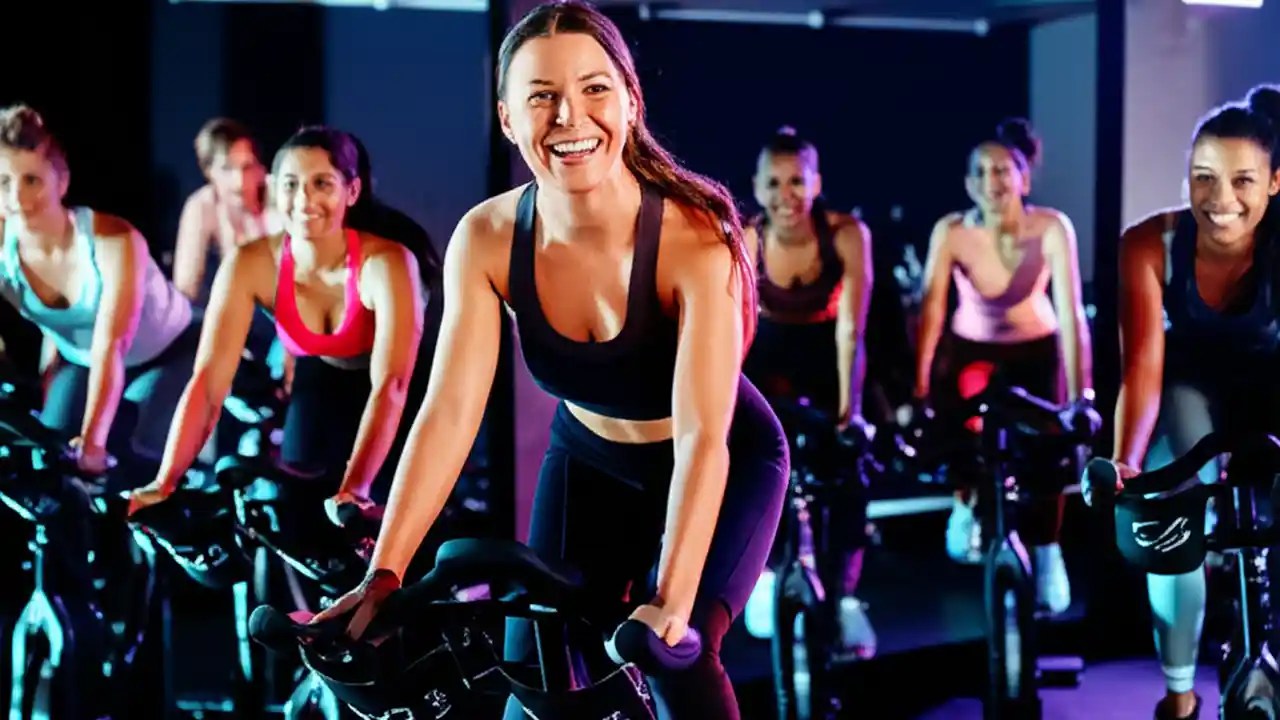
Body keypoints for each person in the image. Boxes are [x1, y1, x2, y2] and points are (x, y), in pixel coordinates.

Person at [313, 2, 790, 718]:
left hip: (724, 457)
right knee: (529, 672)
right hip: (589, 458)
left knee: (679, 657)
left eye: (595, 89)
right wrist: (386, 571)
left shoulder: (696, 240)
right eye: (542, 97)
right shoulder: (490, 237)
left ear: (631, 102)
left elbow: (701, 438)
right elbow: (447, 413)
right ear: (508, 118)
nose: (570, 117)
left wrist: (671, 601)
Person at [126, 125, 426, 523]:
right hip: (320, 376)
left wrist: (354, 490)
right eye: (291, 184)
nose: (304, 199)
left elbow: (391, 385)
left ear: (351, 191)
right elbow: (209, 382)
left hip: (407, 388)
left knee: (388, 530)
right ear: (273, 189)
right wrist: (163, 484)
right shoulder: (251, 263)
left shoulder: (386, 262)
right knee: (294, 515)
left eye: (322, 183)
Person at [1110, 85, 1280, 720]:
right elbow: (1142, 369)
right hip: (1188, 395)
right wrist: (1126, 462)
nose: (1221, 200)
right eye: (1204, 177)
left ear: (1274, 184)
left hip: (1271, 392)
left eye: (1242, 180)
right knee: (1171, 506)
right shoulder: (1148, 244)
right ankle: (1180, 695)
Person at [914, 118, 1092, 614]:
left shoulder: (1052, 227)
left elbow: (1073, 310)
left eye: (1003, 170)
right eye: (982, 171)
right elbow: (932, 307)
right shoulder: (950, 231)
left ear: (1023, 178)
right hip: (972, 350)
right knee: (963, 432)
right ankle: (965, 505)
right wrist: (921, 382)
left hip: (1036, 351)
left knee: (1047, 451)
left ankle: (1047, 552)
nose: (993, 181)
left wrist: (1083, 395)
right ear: (970, 182)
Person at [0, 104, 199, 479]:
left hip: (170, 352)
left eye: (31, 181)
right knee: (48, 453)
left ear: (61, 181)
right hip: (83, 359)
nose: (17, 199)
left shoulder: (113, 240)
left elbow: (111, 345)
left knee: (133, 452)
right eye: (3, 183)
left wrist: (93, 440)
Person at [740, 126, 876, 658]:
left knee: (850, 467)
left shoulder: (846, 234)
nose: (785, 195)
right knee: (755, 466)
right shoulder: (748, 236)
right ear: (757, 186)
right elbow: (739, 329)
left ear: (816, 183)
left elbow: (851, 331)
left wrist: (851, 410)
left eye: (797, 181)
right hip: (768, 358)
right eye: (773, 183)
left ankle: (844, 599)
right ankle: (768, 573)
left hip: (828, 355)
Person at [172, 117, 283, 306]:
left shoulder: (279, 195)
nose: (239, 181)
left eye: (247, 167)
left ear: (259, 167)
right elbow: (186, 290)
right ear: (208, 171)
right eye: (226, 169)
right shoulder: (201, 207)